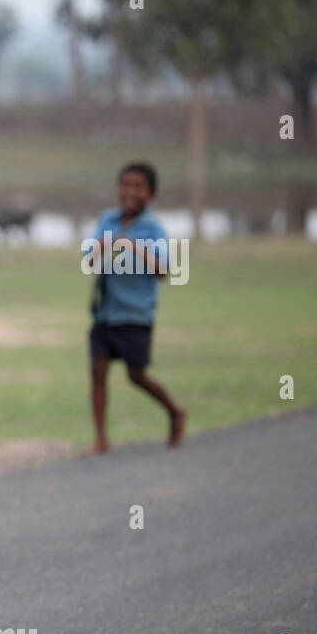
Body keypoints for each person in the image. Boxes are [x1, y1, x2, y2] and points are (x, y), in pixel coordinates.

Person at [84, 162, 187, 453]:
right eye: (125, 185)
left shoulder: (153, 229)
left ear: (151, 194)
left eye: (138, 186)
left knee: (136, 375)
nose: (130, 191)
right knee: (98, 370)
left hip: (136, 315)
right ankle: (101, 439)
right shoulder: (108, 220)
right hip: (105, 312)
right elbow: (89, 260)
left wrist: (133, 247)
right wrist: (104, 247)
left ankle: (175, 411)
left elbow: (164, 270)